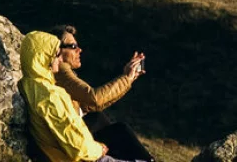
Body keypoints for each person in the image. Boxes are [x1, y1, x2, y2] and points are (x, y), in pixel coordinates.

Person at [50, 26, 153, 161]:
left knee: (101, 119)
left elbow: (92, 104)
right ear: (58, 50)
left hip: (74, 133)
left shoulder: (62, 70)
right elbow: (95, 98)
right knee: (119, 130)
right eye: (73, 46)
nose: (79, 50)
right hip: (72, 138)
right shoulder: (62, 70)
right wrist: (126, 78)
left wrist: (128, 78)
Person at [21, 31, 121, 162]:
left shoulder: (27, 84)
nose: (60, 59)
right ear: (45, 57)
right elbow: (77, 146)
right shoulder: (49, 96)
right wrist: (98, 149)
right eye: (57, 55)